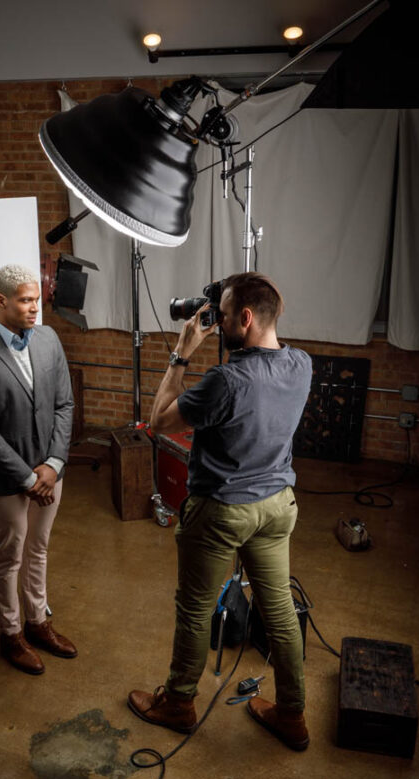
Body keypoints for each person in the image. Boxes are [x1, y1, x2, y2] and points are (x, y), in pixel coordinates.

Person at [127, 272, 313, 750]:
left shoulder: (225, 381)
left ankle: (179, 703)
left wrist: (182, 351)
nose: (219, 320)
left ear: (245, 319)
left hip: (223, 510)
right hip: (277, 507)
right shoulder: (301, 365)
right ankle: (292, 714)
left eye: (225, 314)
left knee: (194, 609)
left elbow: (156, 422)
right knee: (278, 613)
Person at [0, 263, 77, 675]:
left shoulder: (48, 339)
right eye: (26, 301)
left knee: (38, 550)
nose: (34, 309)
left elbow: (64, 404)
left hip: (50, 473)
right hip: (8, 480)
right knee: (9, 557)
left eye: (37, 300)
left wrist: (54, 465)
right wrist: (28, 478)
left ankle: (38, 623)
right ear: (1, 300)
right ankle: (11, 635)